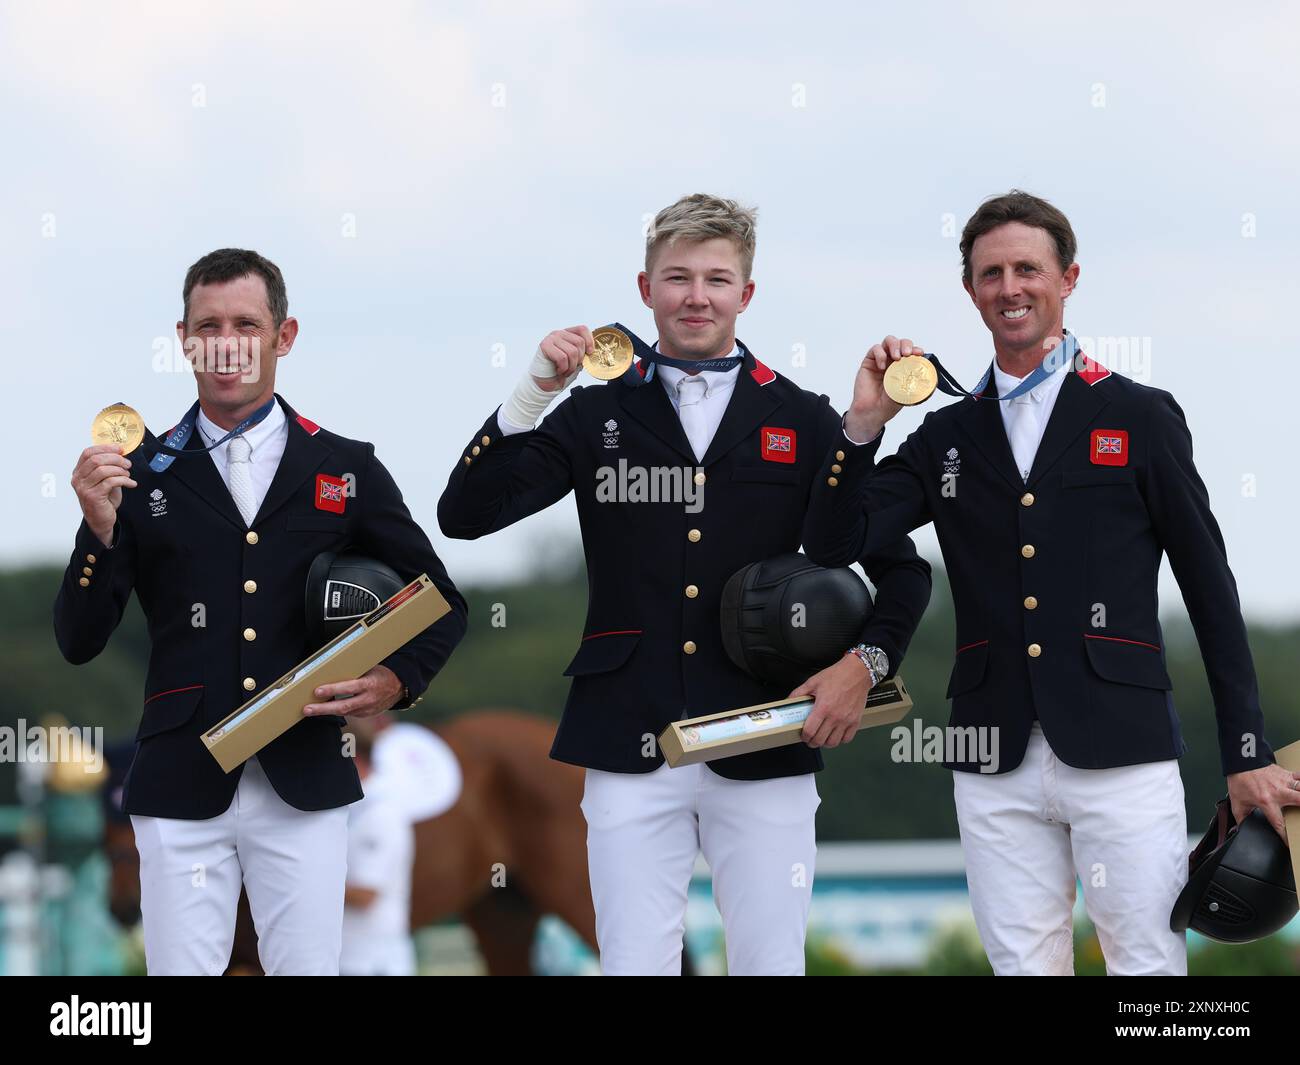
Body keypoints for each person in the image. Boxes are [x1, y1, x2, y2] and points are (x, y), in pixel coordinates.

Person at [438, 194, 931, 975]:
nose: (695, 296)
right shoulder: (590, 416)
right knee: (634, 963)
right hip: (626, 740)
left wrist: (861, 668)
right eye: (677, 278)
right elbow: (465, 514)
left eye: (716, 278)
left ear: (746, 293)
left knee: (770, 964)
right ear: (645, 289)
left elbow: (902, 571)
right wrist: (533, 392)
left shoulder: (805, 421)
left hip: (770, 739)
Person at [807, 190, 1296, 975]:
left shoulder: (1140, 416)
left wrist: (1244, 749)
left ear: (1068, 278)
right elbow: (833, 540)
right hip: (991, 755)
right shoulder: (943, 436)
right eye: (991, 273)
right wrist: (863, 424)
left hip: (1123, 750)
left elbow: (1210, 587)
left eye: (1027, 268)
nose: (1010, 287)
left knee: (1145, 968)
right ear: (971, 291)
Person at [54, 248, 467, 975]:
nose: (228, 342)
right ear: (183, 339)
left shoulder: (346, 466)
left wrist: (396, 679)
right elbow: (79, 638)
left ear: (285, 335)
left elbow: (441, 601)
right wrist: (97, 528)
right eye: (209, 326)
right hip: (178, 777)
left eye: (247, 323)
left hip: (306, 774)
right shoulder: (140, 472)